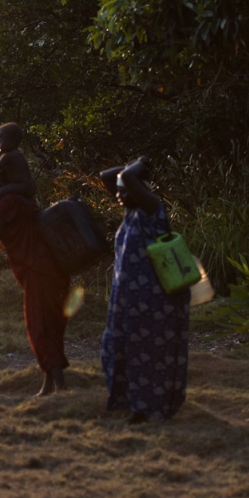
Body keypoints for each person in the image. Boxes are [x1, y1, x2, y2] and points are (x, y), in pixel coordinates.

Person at [0, 124, 69, 396]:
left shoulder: (7, 203)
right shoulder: (26, 202)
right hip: (52, 270)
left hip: (37, 270)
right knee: (51, 325)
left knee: (39, 325)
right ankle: (49, 383)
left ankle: (61, 387)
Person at [99, 157, 189, 422]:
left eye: (125, 191)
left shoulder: (152, 210)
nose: (118, 195)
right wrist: (129, 170)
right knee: (116, 347)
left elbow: (127, 179)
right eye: (119, 191)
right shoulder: (131, 213)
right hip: (128, 299)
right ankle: (134, 403)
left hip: (156, 299)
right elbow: (107, 175)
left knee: (151, 354)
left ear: (140, 189)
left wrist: (140, 164)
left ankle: (150, 409)